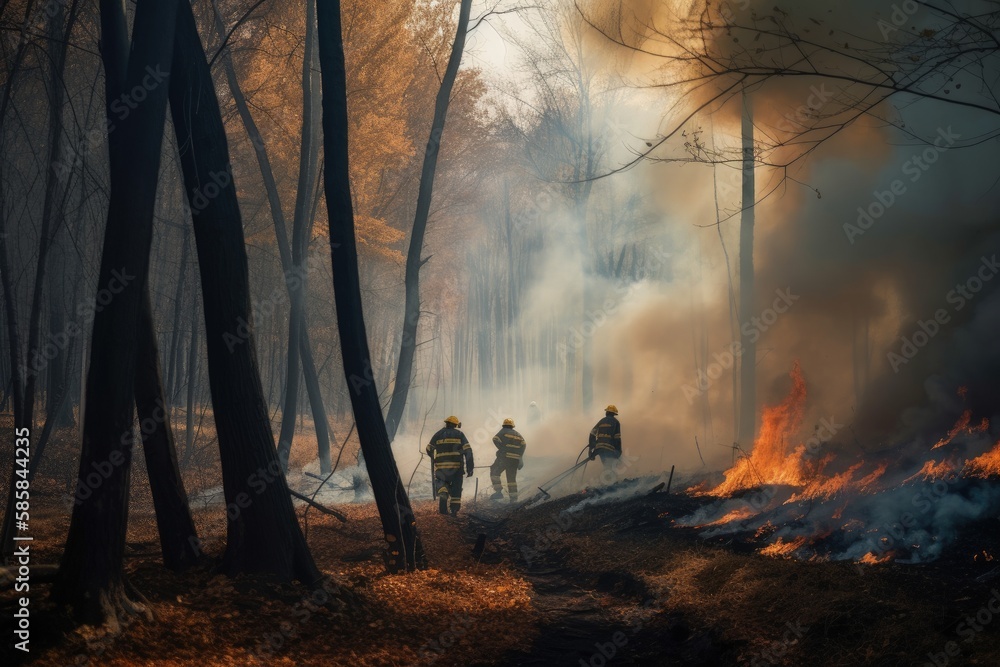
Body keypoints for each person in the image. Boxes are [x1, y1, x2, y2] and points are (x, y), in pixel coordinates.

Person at [426, 415, 473, 515]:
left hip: (441, 468)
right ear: (455, 425)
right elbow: (468, 451)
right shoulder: (460, 434)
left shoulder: (438, 434)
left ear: (446, 423)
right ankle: (454, 511)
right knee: (456, 489)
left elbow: (429, 449)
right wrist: (470, 468)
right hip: (456, 468)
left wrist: (434, 458)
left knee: (442, 485)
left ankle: (443, 505)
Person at [490, 418, 526, 502]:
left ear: (504, 425)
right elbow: (524, 445)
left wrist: (501, 449)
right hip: (515, 460)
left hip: (505, 458)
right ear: (512, 426)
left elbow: (495, 439)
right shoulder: (518, 434)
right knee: (511, 480)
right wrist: (520, 457)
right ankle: (513, 499)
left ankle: (498, 492)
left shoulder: (503, 431)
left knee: (494, 471)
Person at [588, 404, 622, 482]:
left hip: (599, 449)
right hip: (609, 449)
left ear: (607, 413)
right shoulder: (616, 422)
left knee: (606, 466)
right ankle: (608, 483)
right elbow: (617, 438)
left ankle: (605, 482)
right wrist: (619, 451)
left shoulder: (601, 421)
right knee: (610, 468)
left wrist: (591, 450)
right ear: (614, 414)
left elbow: (592, 433)